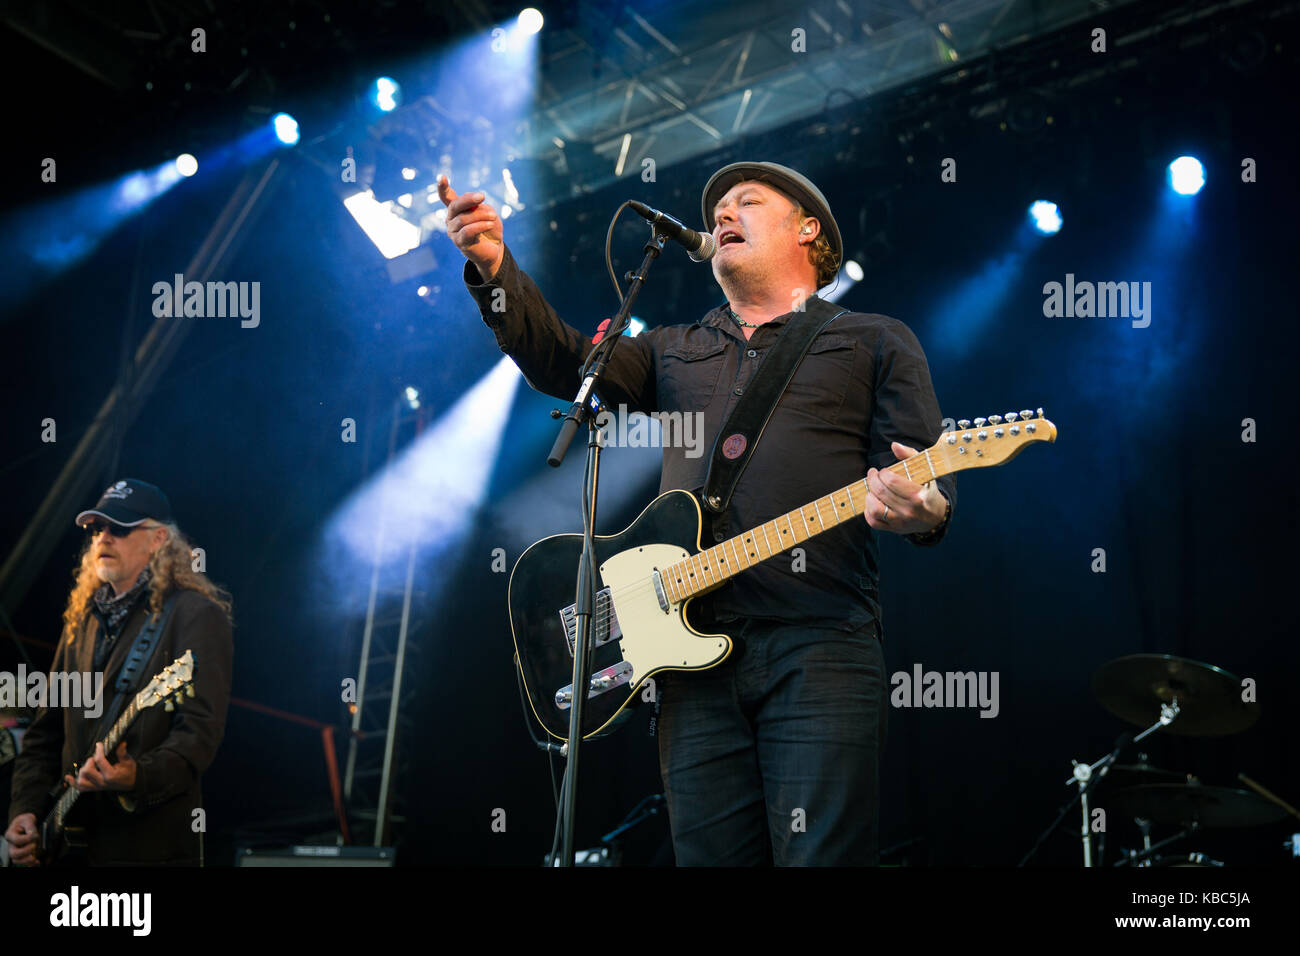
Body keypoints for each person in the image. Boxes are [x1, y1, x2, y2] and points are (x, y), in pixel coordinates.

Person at [438, 161, 955, 865]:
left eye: (746, 202)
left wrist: (920, 511)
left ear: (809, 230)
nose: (722, 215)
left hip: (819, 643)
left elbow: (920, 474)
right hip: (690, 662)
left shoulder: (874, 338)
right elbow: (566, 367)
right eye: (716, 210)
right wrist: (496, 272)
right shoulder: (674, 348)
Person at [5, 479, 233, 866]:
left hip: (146, 849)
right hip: (67, 848)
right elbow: (45, 735)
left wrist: (136, 777)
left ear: (159, 538)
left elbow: (198, 738)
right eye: (97, 528)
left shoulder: (194, 615)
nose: (104, 537)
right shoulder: (80, 623)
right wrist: (25, 812)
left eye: (120, 527)